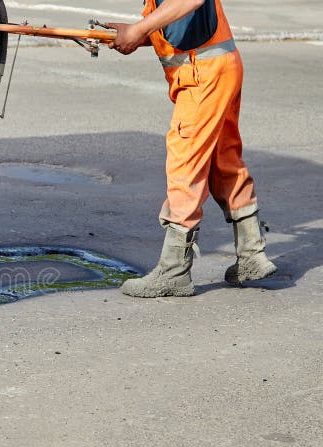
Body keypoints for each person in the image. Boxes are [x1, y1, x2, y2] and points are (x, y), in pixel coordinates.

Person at [106, 0, 277, 297]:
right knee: (224, 161)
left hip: (203, 77)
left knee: (185, 162)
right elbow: (178, 24)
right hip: (219, 69)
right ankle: (252, 253)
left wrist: (138, 30)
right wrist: (133, 34)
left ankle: (173, 272)